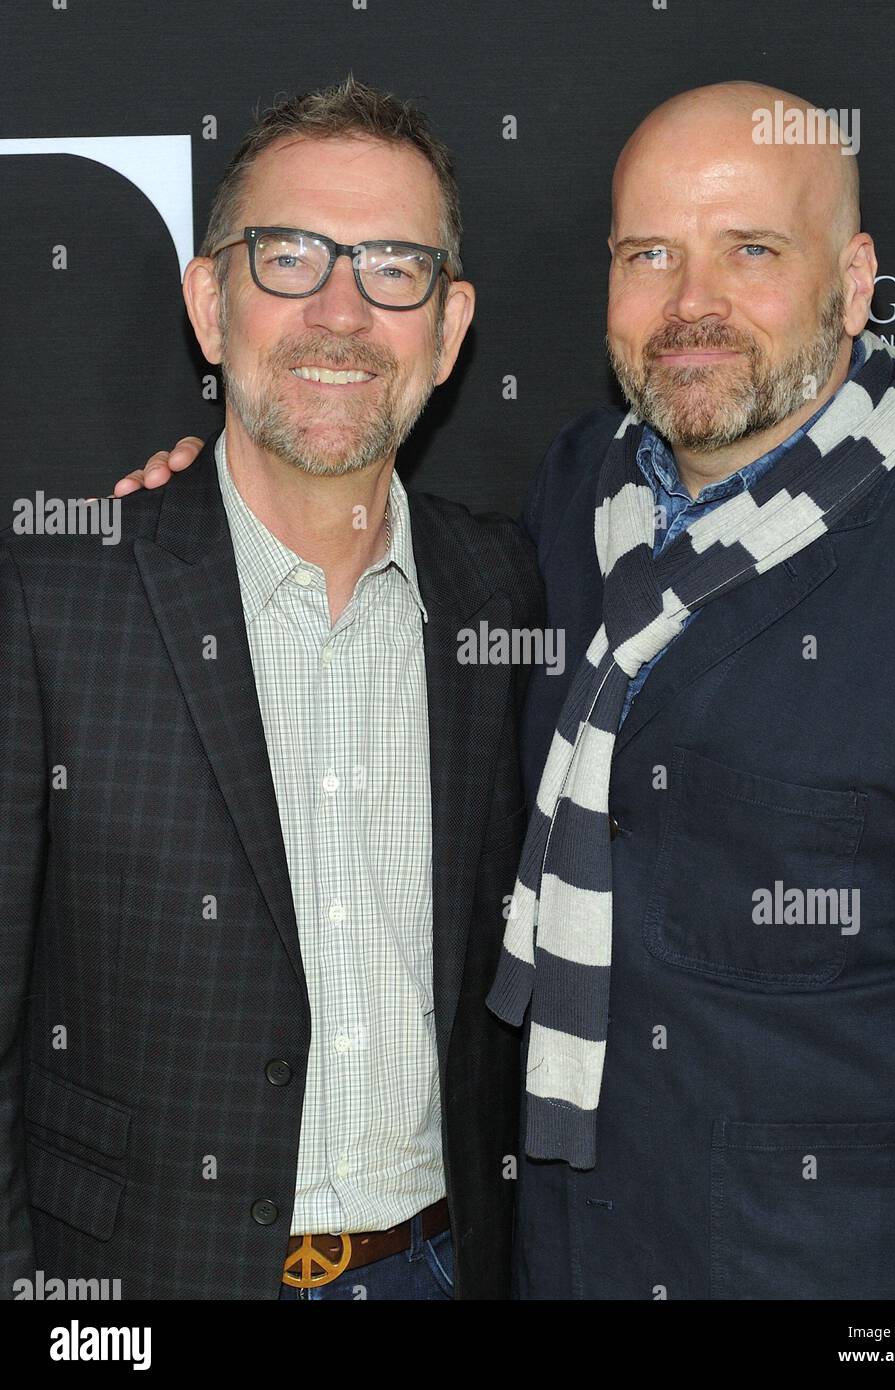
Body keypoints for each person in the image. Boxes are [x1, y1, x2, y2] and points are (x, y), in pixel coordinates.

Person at [113, 79, 895, 1301]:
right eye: (649, 253)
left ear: (854, 283)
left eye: (750, 249)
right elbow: (322, 505)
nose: (689, 303)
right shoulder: (575, 506)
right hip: (544, 1264)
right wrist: (196, 506)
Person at [0, 77, 542, 1302]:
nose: (341, 312)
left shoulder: (507, 591)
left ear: (449, 329)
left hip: (443, 1268)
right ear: (211, 301)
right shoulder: (55, 598)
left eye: (394, 266)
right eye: (292, 256)